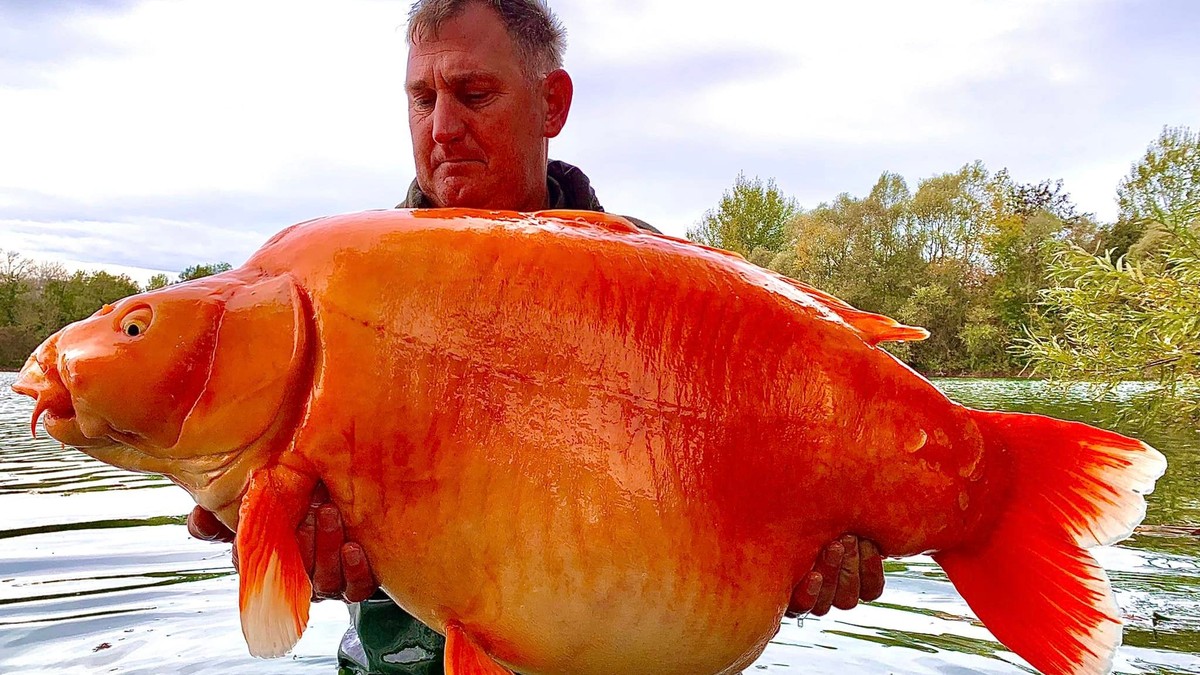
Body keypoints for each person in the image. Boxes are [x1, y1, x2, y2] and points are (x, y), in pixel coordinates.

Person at [187, 1, 886, 673]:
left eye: (474, 94)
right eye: (423, 99)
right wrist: (280, 544)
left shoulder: (668, 288)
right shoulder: (339, 289)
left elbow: (741, 508)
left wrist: (801, 564)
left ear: (552, 103)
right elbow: (269, 519)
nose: (443, 127)